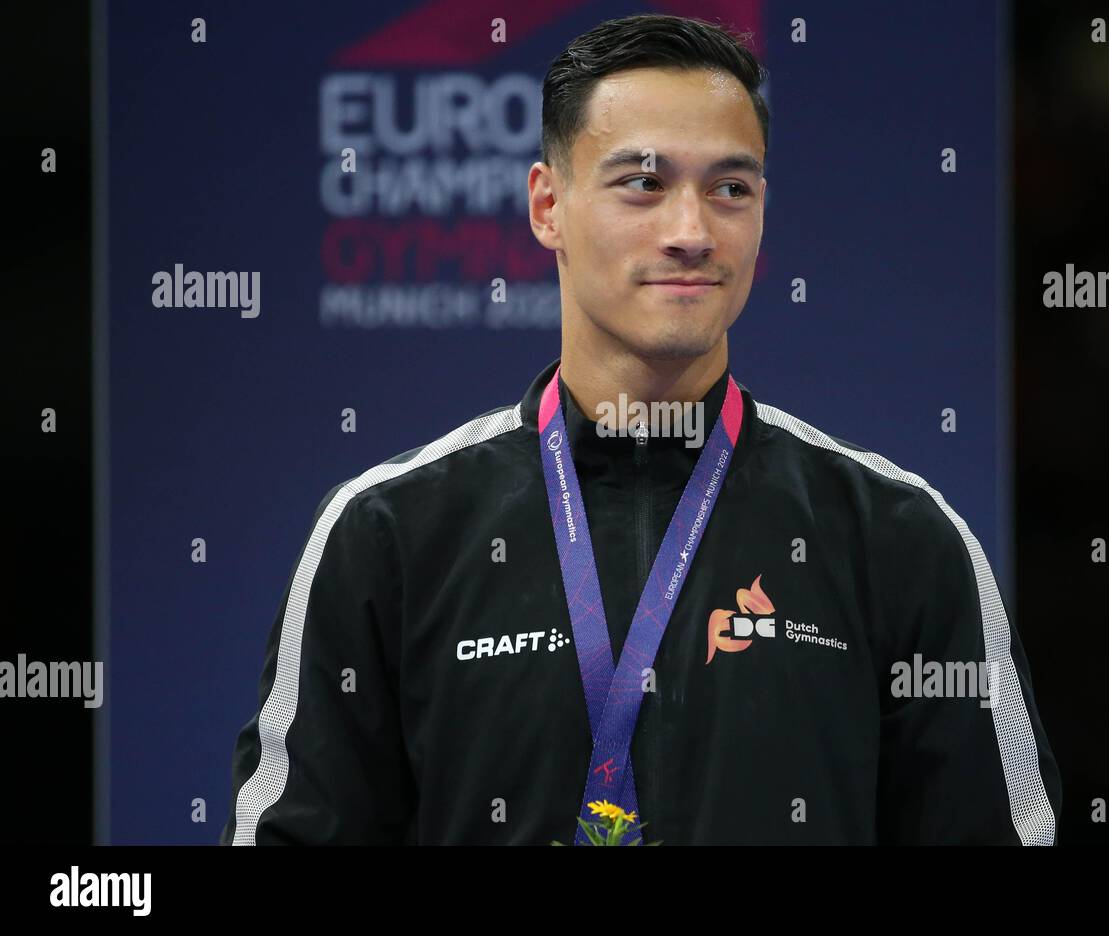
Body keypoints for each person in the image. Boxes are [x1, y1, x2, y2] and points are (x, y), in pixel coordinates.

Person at [220, 13, 1061, 846]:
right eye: (644, 184)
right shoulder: (386, 533)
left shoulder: (899, 536)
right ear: (548, 205)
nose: (691, 232)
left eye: (730, 187)